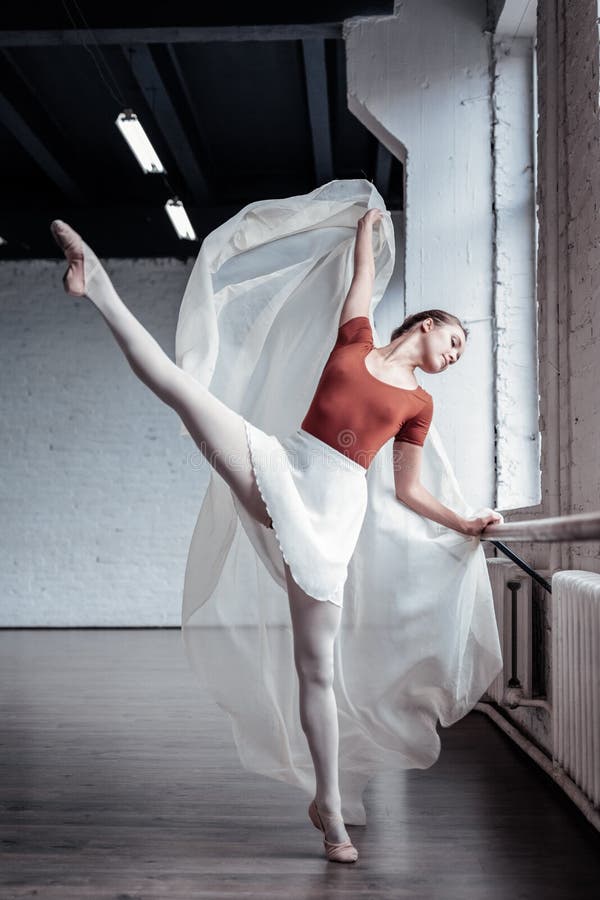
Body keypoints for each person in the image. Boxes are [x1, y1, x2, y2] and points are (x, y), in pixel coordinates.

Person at [50, 189, 502, 864]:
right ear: (429, 325)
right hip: (283, 463)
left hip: (334, 513)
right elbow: (362, 277)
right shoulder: (357, 337)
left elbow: (408, 489)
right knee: (181, 389)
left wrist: (464, 520)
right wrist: (368, 224)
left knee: (315, 669)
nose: (455, 354)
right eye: (455, 340)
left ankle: (327, 805)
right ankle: (97, 284)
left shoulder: (418, 404)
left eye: (461, 353)